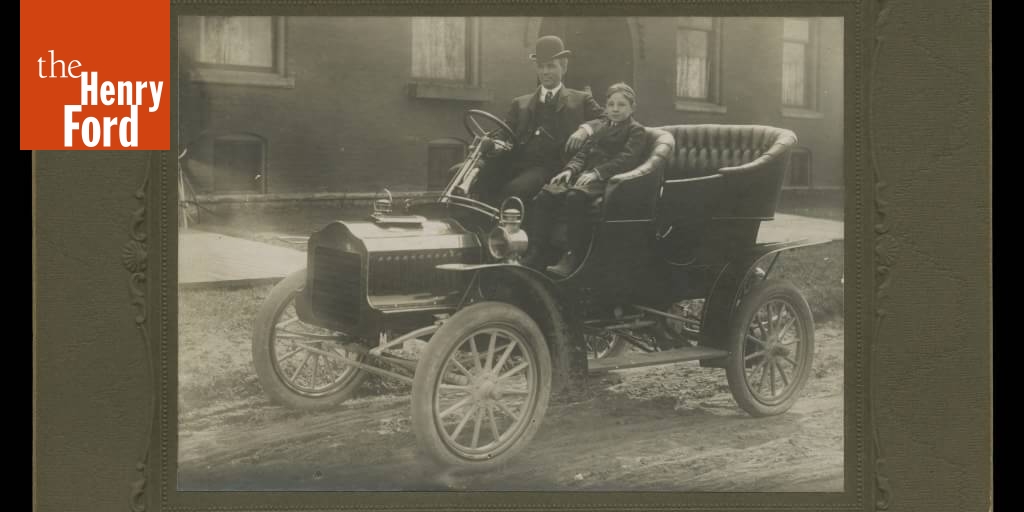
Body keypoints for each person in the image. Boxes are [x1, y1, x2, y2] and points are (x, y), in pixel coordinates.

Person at [523, 82, 647, 276]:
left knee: (575, 197)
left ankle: (572, 255)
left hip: (610, 180)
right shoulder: (601, 126)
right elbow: (583, 152)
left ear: (632, 108)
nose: (615, 109)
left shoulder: (635, 131)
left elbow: (627, 159)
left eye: (621, 105)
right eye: (611, 104)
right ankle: (537, 251)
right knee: (546, 194)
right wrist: (570, 170)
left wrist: (597, 172)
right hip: (585, 176)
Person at [469, 35, 605, 211]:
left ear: (564, 67)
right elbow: (504, 132)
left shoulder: (581, 100)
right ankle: (475, 229)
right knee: (469, 175)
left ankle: (504, 234)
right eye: (541, 66)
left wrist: (585, 129)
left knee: (515, 190)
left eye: (551, 66)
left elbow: (607, 119)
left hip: (550, 167)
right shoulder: (520, 103)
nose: (545, 72)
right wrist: (497, 144)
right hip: (514, 163)